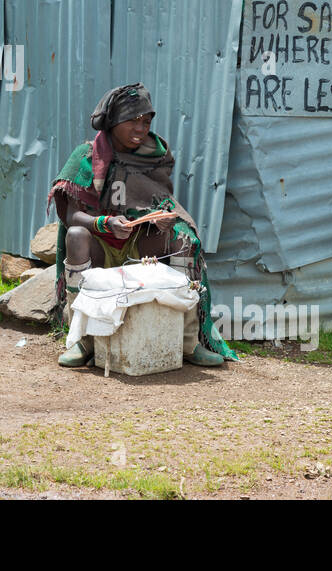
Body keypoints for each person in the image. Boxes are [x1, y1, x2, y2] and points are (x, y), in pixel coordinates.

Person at [48, 83, 236, 368]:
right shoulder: (86, 156)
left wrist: (161, 220)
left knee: (183, 238)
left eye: (146, 121)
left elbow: (159, 200)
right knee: (75, 235)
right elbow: (73, 215)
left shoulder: (155, 156)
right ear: (112, 122)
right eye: (132, 121)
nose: (140, 128)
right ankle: (81, 340)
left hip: (138, 245)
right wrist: (106, 222)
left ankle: (187, 341)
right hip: (100, 244)